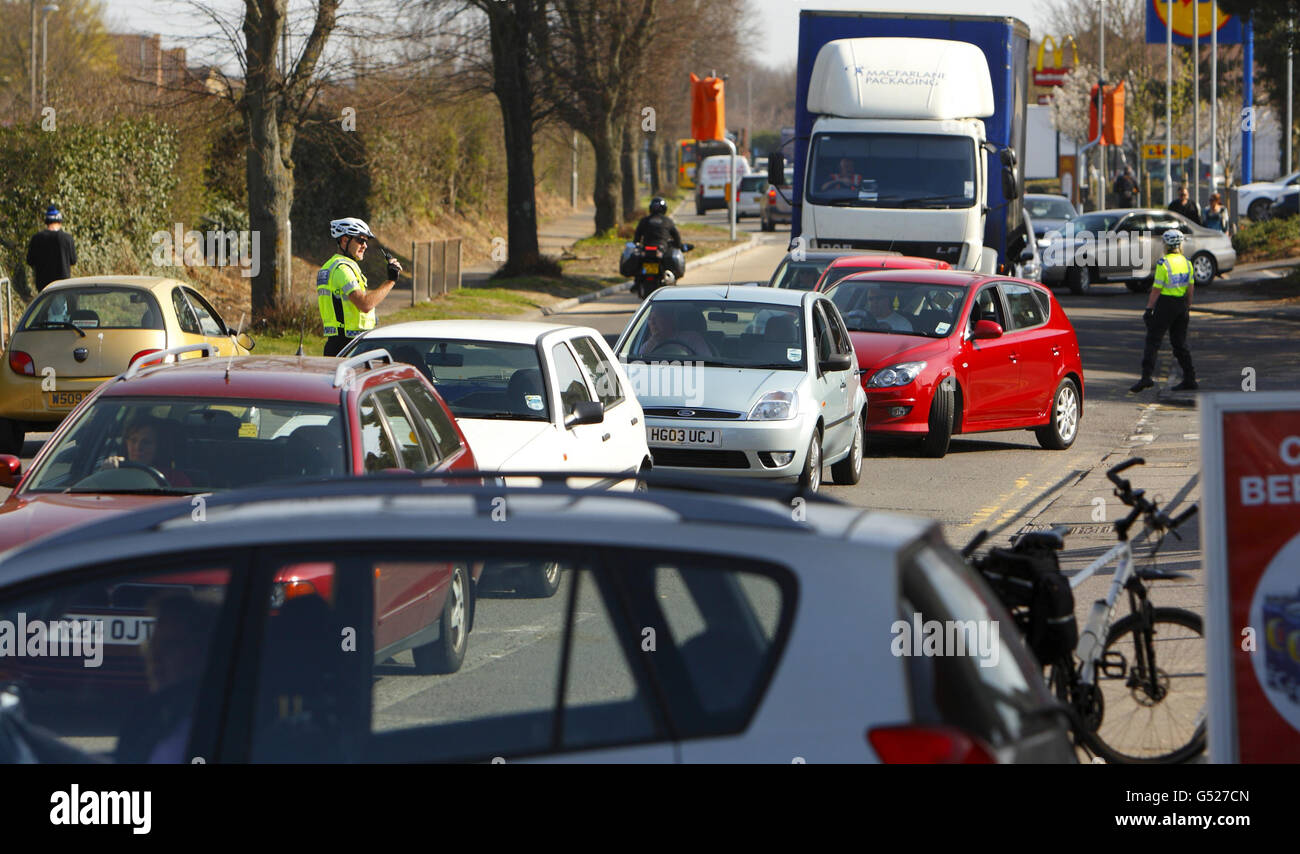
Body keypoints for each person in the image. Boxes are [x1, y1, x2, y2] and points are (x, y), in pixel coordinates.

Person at [116, 592, 219, 763]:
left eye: (170, 646)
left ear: (204, 651)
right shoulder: (154, 716)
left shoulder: (211, 725)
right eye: (152, 646)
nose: (155, 658)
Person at [318, 218, 401, 357]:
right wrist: (391, 281)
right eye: (360, 240)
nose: (365, 246)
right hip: (347, 345)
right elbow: (365, 304)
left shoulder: (331, 266)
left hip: (340, 343)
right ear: (345, 240)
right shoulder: (342, 269)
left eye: (366, 241)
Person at [1130, 230, 1197, 393]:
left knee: (1153, 340)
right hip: (1181, 305)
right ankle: (1190, 378)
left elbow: (1156, 289)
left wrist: (1149, 308)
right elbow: (1190, 288)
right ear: (1180, 245)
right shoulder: (1187, 262)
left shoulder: (1164, 263)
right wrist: (1187, 305)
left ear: (1166, 245)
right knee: (1179, 343)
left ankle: (1146, 377)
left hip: (1165, 304)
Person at [102, 416, 192, 486]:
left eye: (146, 442)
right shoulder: (116, 472)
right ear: (126, 442)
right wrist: (108, 471)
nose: (138, 447)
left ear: (159, 447)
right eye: (133, 440)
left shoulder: (176, 480)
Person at [25, 205, 76, 292]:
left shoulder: (36, 238)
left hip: (43, 286)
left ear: (47, 222)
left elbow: (30, 261)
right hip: (62, 285)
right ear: (60, 222)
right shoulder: (67, 238)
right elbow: (73, 260)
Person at [639, 305, 713, 357]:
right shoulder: (649, 345)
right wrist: (654, 340)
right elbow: (638, 361)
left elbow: (707, 361)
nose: (652, 323)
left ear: (669, 319)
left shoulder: (692, 338)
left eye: (656, 318)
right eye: (650, 319)